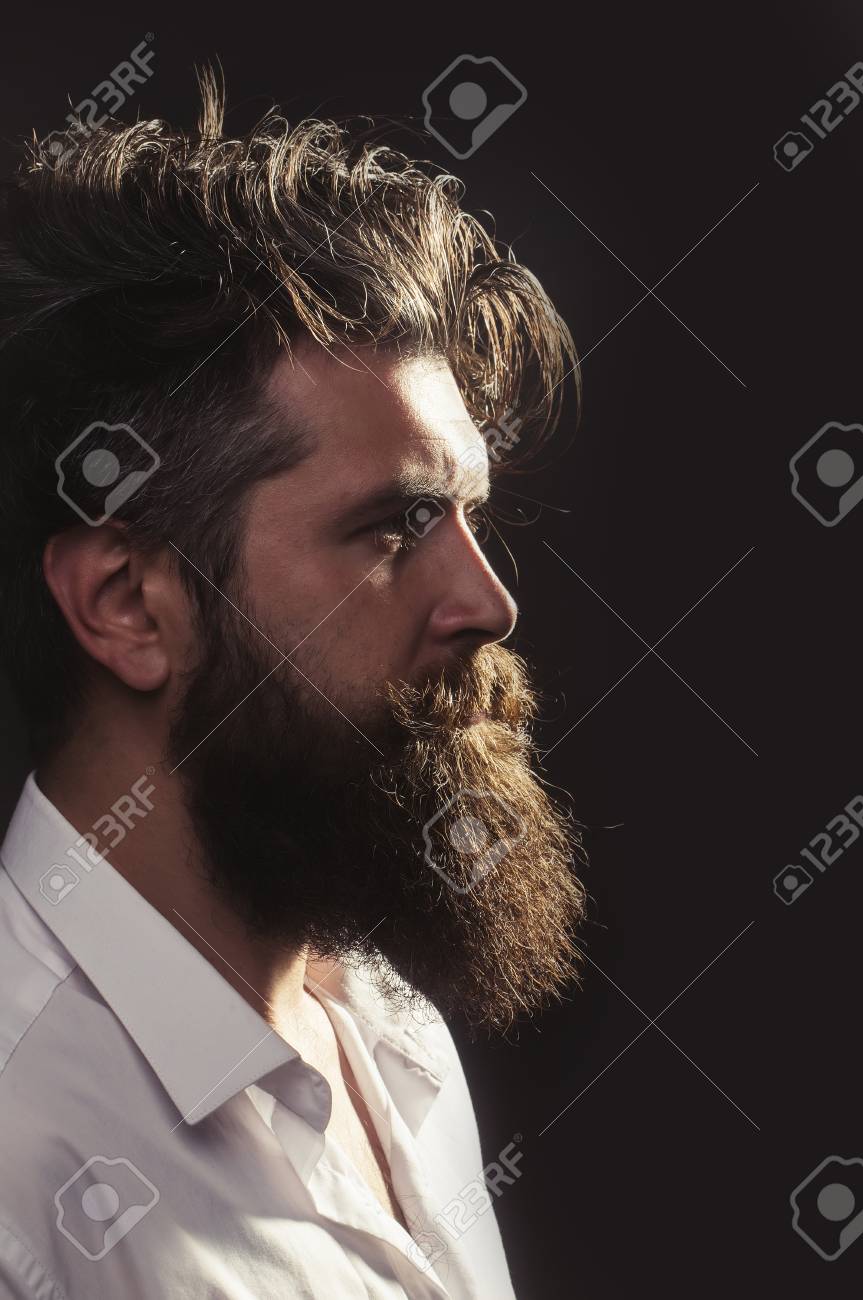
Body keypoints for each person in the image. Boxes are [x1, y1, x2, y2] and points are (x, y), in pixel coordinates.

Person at [0, 65, 587, 1299]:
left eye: (472, 516)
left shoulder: (389, 1028)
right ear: (127, 604)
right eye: (397, 525)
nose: (487, 602)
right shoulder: (22, 1169)